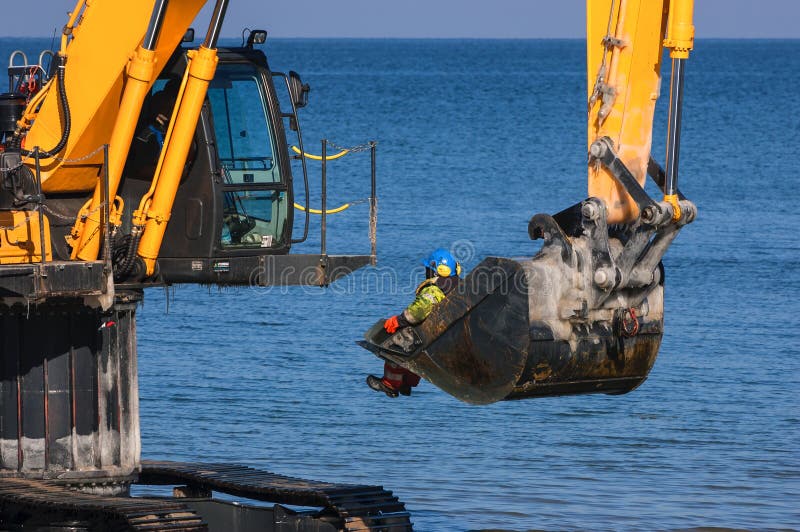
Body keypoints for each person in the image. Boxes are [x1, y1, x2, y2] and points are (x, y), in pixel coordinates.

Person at [367, 248, 462, 398]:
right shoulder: (460, 287)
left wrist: (398, 320)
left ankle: (390, 384)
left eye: (428, 269)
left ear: (436, 270)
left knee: (397, 340)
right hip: (450, 336)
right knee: (416, 342)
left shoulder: (436, 288)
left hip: (436, 339)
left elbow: (418, 311)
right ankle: (407, 382)